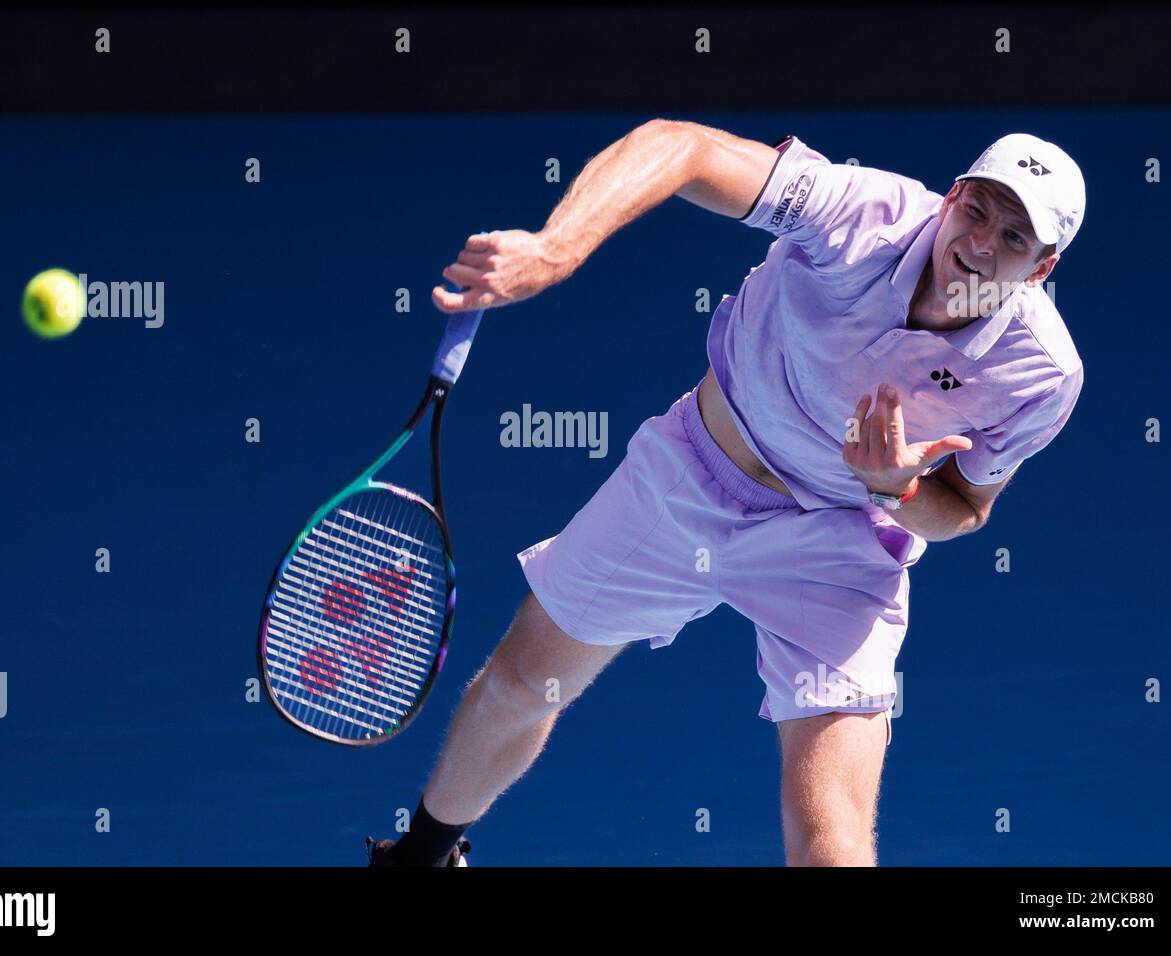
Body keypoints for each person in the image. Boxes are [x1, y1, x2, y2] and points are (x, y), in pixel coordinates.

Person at [366, 121, 1086, 867]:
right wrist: (557, 247)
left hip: (838, 543)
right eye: (978, 212)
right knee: (522, 683)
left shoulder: (1040, 376)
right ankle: (423, 855)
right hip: (691, 476)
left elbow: (966, 510)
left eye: (1013, 238)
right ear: (952, 197)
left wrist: (895, 489)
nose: (979, 244)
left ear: (1040, 268)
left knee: (831, 841)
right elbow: (685, 148)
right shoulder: (861, 216)